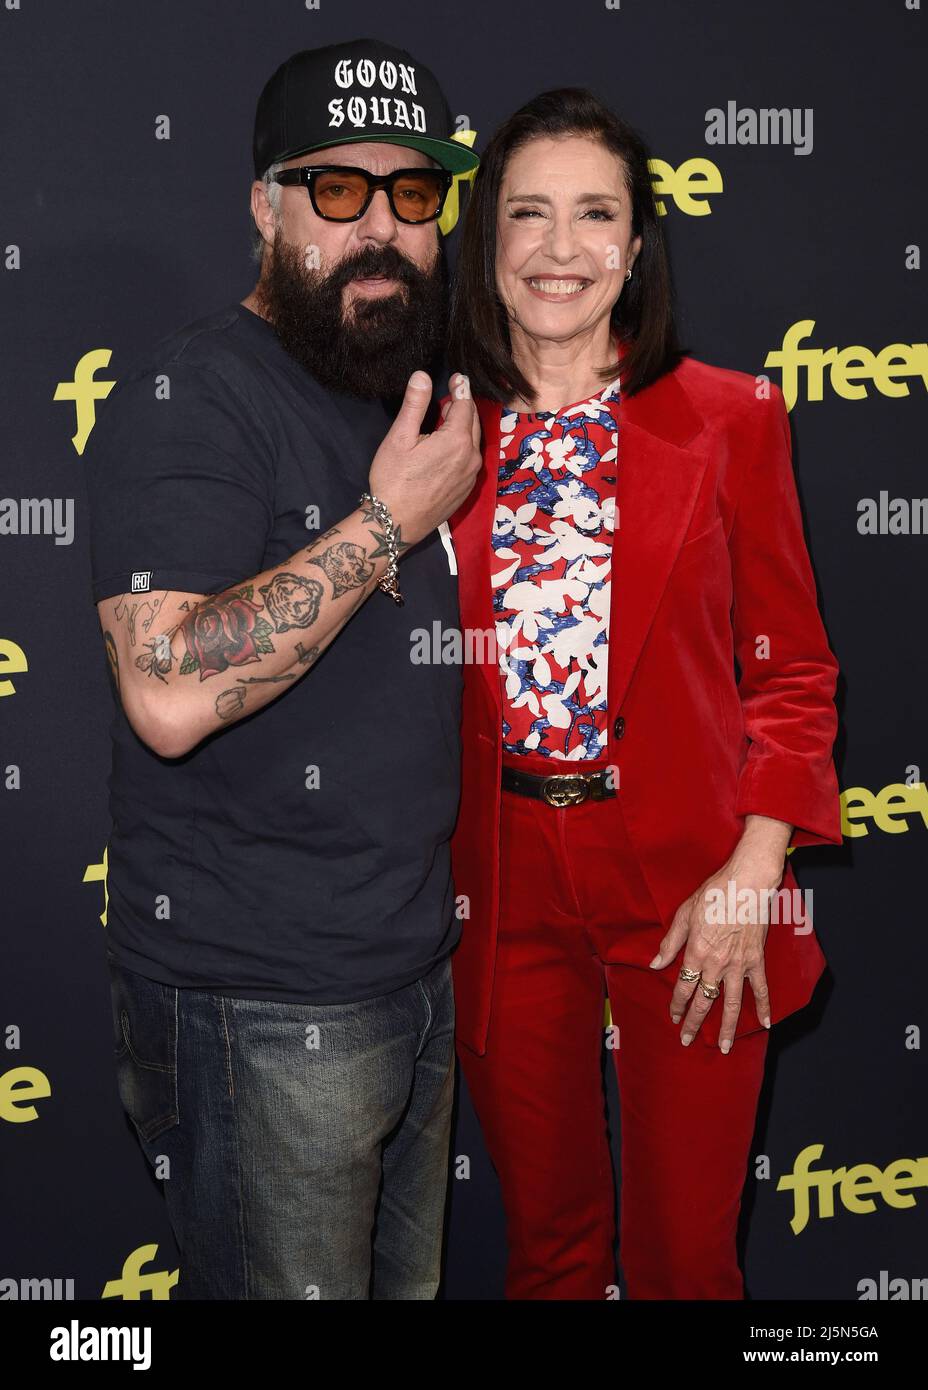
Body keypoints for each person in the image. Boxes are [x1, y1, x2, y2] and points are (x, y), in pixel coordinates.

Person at [84, 38, 481, 1300]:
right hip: (260, 1006)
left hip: (407, 968)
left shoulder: (390, 392)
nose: (380, 227)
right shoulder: (192, 393)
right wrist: (384, 523)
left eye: (411, 196)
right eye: (338, 189)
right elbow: (164, 689)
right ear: (266, 207)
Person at [442, 87, 842, 1299]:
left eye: (594, 214)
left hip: (690, 883)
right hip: (497, 878)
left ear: (635, 243)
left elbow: (793, 671)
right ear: (489, 242)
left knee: (683, 1259)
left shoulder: (727, 417)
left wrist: (753, 867)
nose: (560, 249)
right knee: (548, 1250)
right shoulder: (430, 427)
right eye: (529, 214)